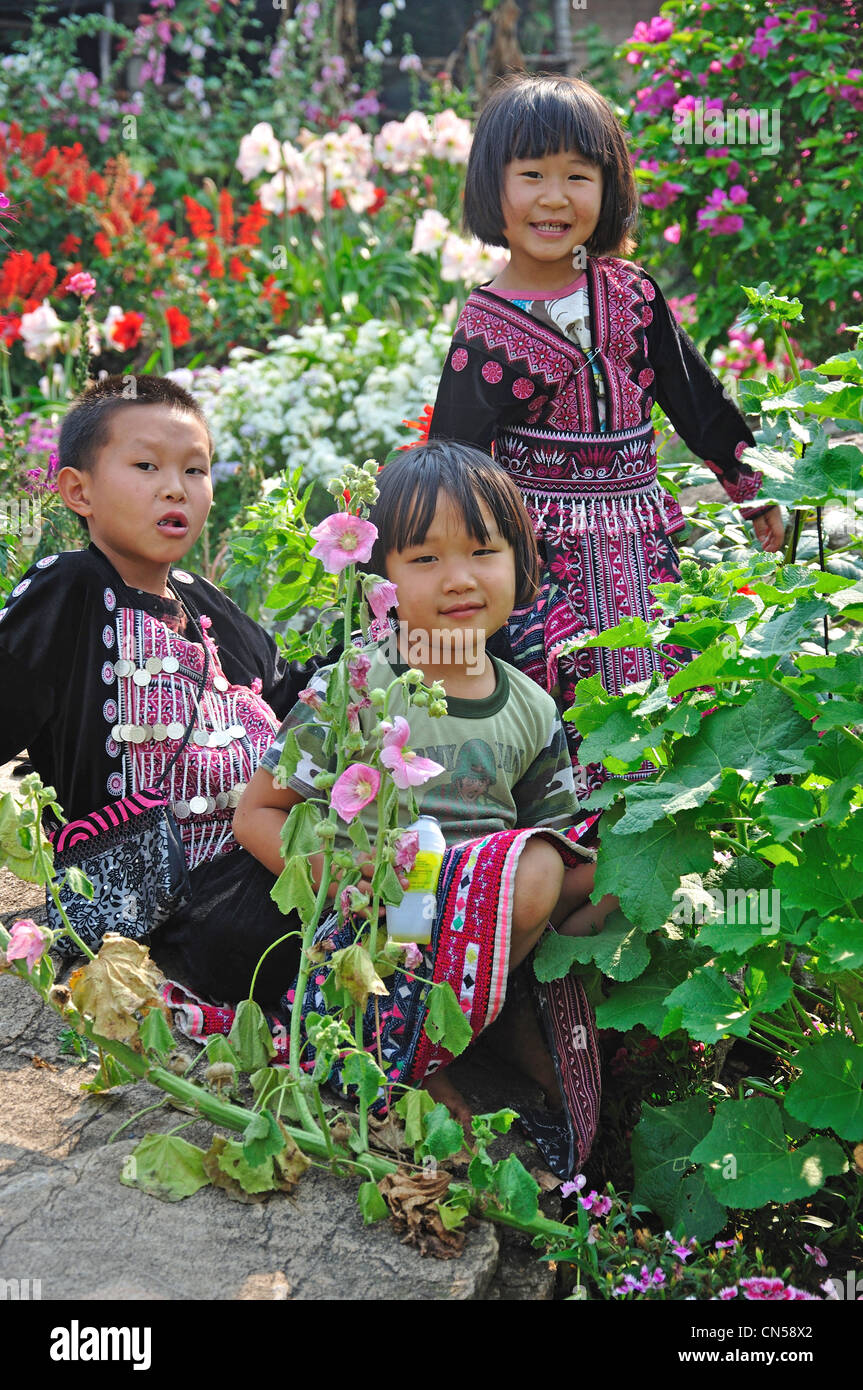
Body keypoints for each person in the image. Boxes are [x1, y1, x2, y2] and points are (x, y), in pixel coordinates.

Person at [235, 441, 616, 1177]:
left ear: (520, 560)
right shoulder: (355, 687)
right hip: (384, 916)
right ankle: (414, 1051)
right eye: (426, 559)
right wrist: (349, 882)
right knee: (515, 866)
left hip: (489, 913)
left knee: (604, 874)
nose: (460, 579)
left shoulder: (530, 706)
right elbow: (258, 812)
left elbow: (558, 831)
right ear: (382, 578)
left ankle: (490, 1016)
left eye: (482, 550)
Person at [429, 74, 785, 798]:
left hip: (640, 538)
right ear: (490, 188)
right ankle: (573, 860)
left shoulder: (631, 295)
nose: (554, 197)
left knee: (663, 682)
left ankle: (664, 834)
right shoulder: (486, 330)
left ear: (609, 186)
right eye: (530, 175)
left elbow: (697, 402)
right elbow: (453, 460)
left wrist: (755, 491)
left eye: (576, 176)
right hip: (539, 552)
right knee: (565, 693)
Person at [0, 374, 306, 1005]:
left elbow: (293, 701)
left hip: (257, 862)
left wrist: (392, 642)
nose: (176, 487)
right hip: (158, 909)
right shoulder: (72, 588)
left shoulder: (203, 601)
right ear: (78, 491)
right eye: (146, 465)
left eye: (196, 470)